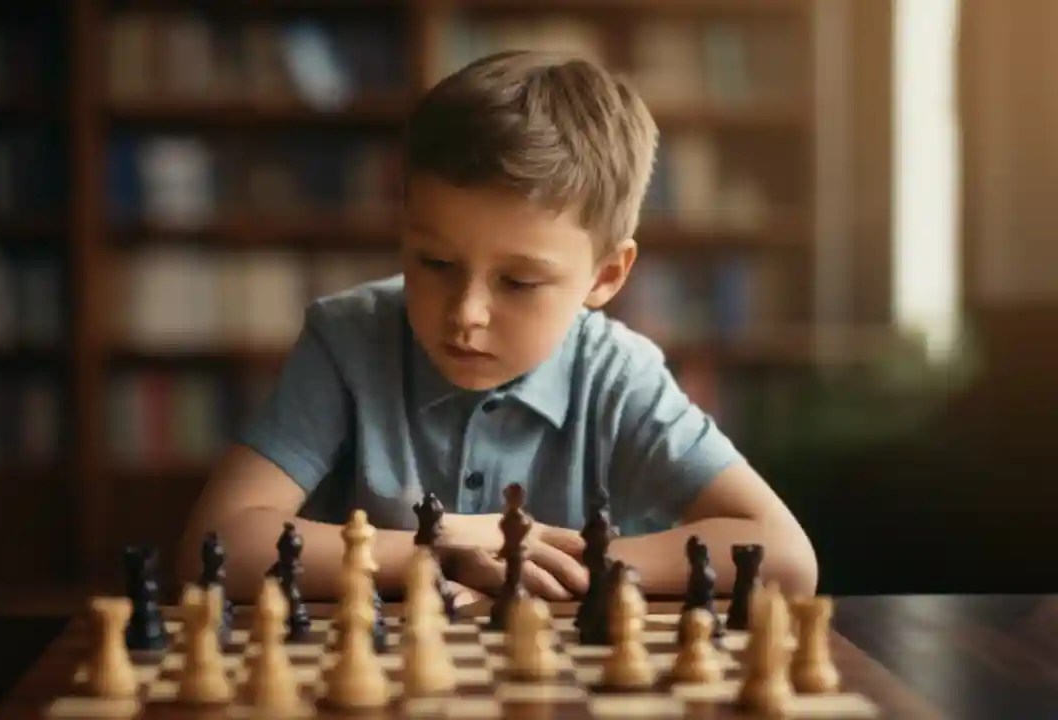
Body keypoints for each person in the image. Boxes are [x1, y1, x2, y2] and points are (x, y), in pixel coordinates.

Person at [177, 50, 817, 605]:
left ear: (606, 276)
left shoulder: (618, 375)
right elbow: (216, 544)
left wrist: (562, 565)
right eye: (434, 263)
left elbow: (785, 557)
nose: (466, 313)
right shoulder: (348, 340)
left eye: (519, 282)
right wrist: (438, 547)